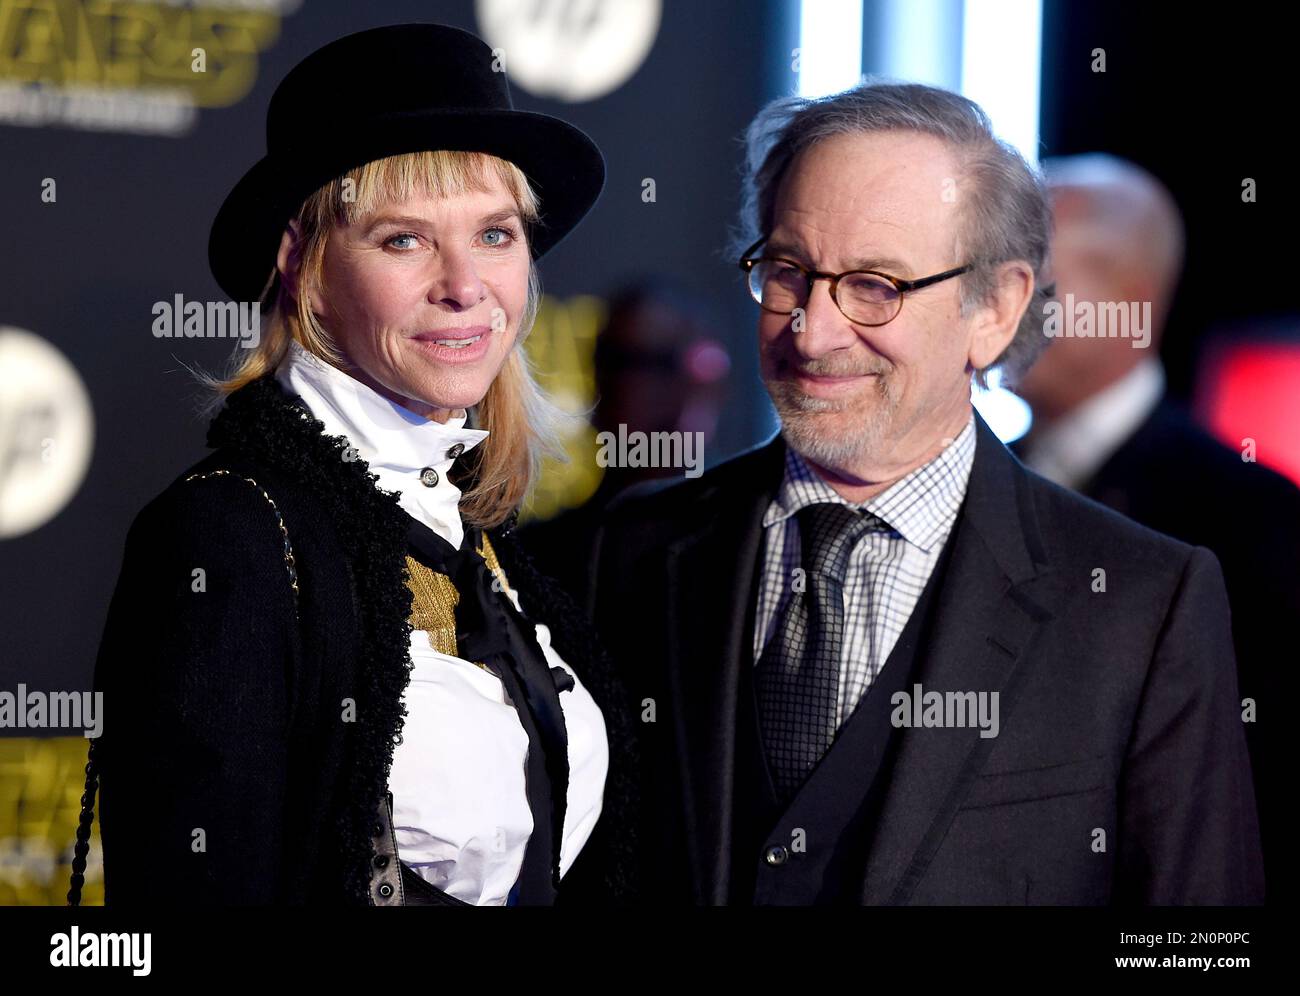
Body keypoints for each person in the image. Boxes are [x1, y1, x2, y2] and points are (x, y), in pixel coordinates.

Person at [589, 81, 1263, 904]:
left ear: (998, 309)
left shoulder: (1141, 604)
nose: (814, 329)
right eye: (789, 271)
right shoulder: (635, 551)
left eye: (875, 286)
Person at [68, 23, 637, 907]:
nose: (464, 283)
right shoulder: (232, 533)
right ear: (302, 265)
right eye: (403, 239)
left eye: (494, 233)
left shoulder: (475, 528)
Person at [1014, 153, 1300, 901]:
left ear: (1131, 299)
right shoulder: (971, 483)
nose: (1002, 309)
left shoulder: (1252, 517)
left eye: (1036, 283)